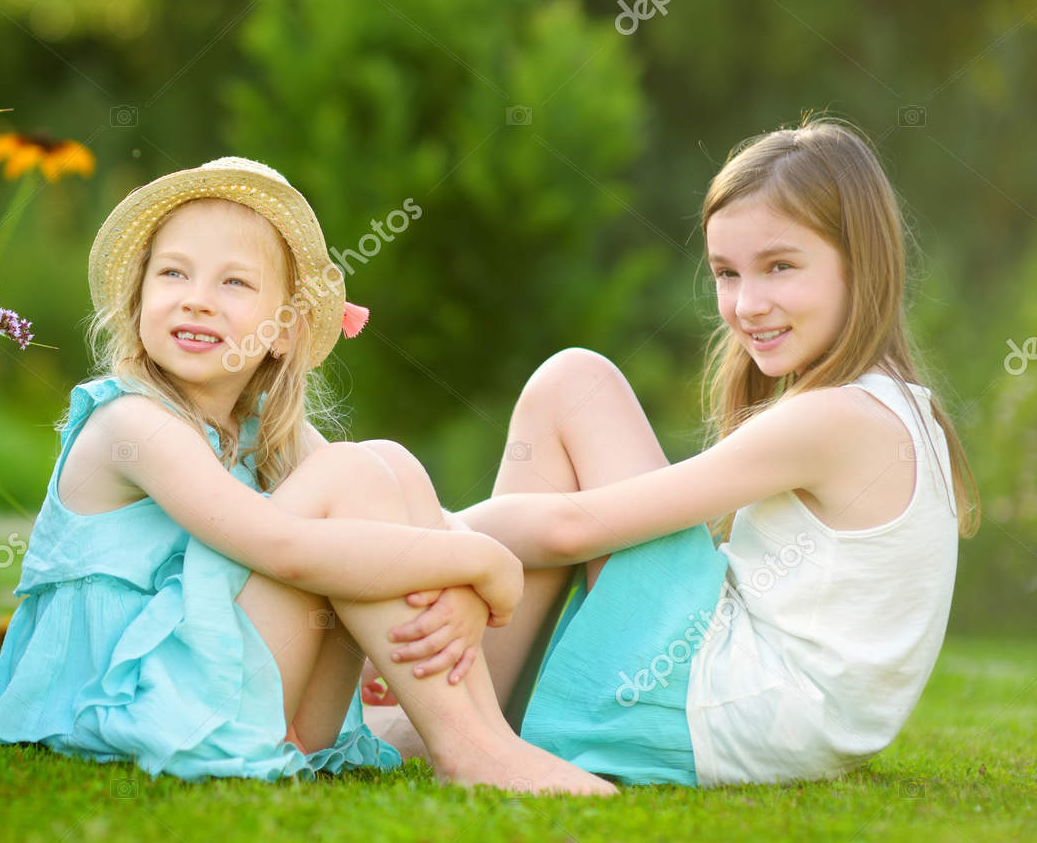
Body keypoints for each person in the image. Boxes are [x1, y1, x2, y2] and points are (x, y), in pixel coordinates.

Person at [363, 117, 978, 787]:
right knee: (567, 421)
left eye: (780, 266)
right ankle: (453, 709)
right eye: (726, 272)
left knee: (574, 385)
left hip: (731, 703)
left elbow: (577, 525)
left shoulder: (837, 418)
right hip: (780, 718)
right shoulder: (894, 404)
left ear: (861, 263)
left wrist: (424, 550)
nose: (748, 303)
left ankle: (453, 712)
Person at [0, 156, 615, 796]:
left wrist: (474, 571)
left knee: (389, 463)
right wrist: (481, 563)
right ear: (139, 298)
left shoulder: (260, 430)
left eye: (234, 283)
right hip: (142, 714)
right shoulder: (132, 423)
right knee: (354, 474)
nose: (196, 298)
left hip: (250, 714)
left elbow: (409, 520)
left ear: (287, 331)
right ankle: (469, 749)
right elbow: (285, 551)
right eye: (173, 273)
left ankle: (483, 739)